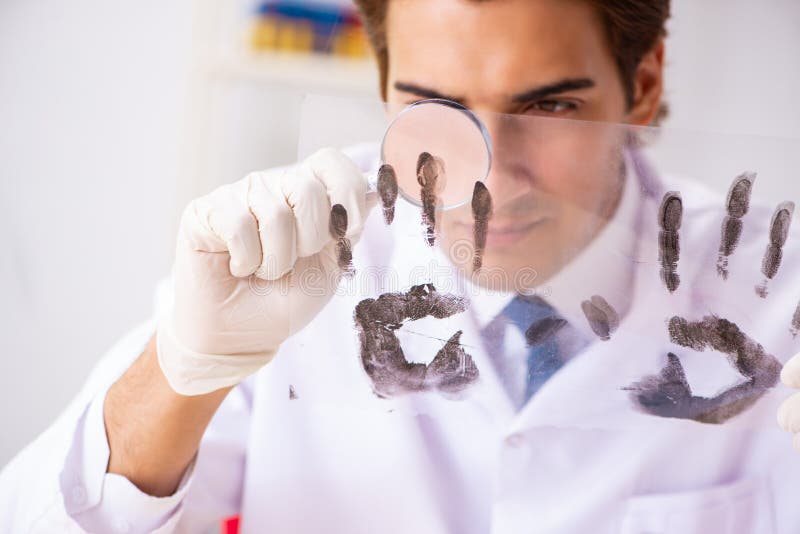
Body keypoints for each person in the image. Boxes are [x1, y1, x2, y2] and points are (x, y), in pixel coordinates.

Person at [3, 0, 800, 532]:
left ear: (645, 82)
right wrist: (183, 371)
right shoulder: (289, 252)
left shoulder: (779, 294)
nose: (489, 175)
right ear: (382, 84)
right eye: (433, 107)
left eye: (550, 106)